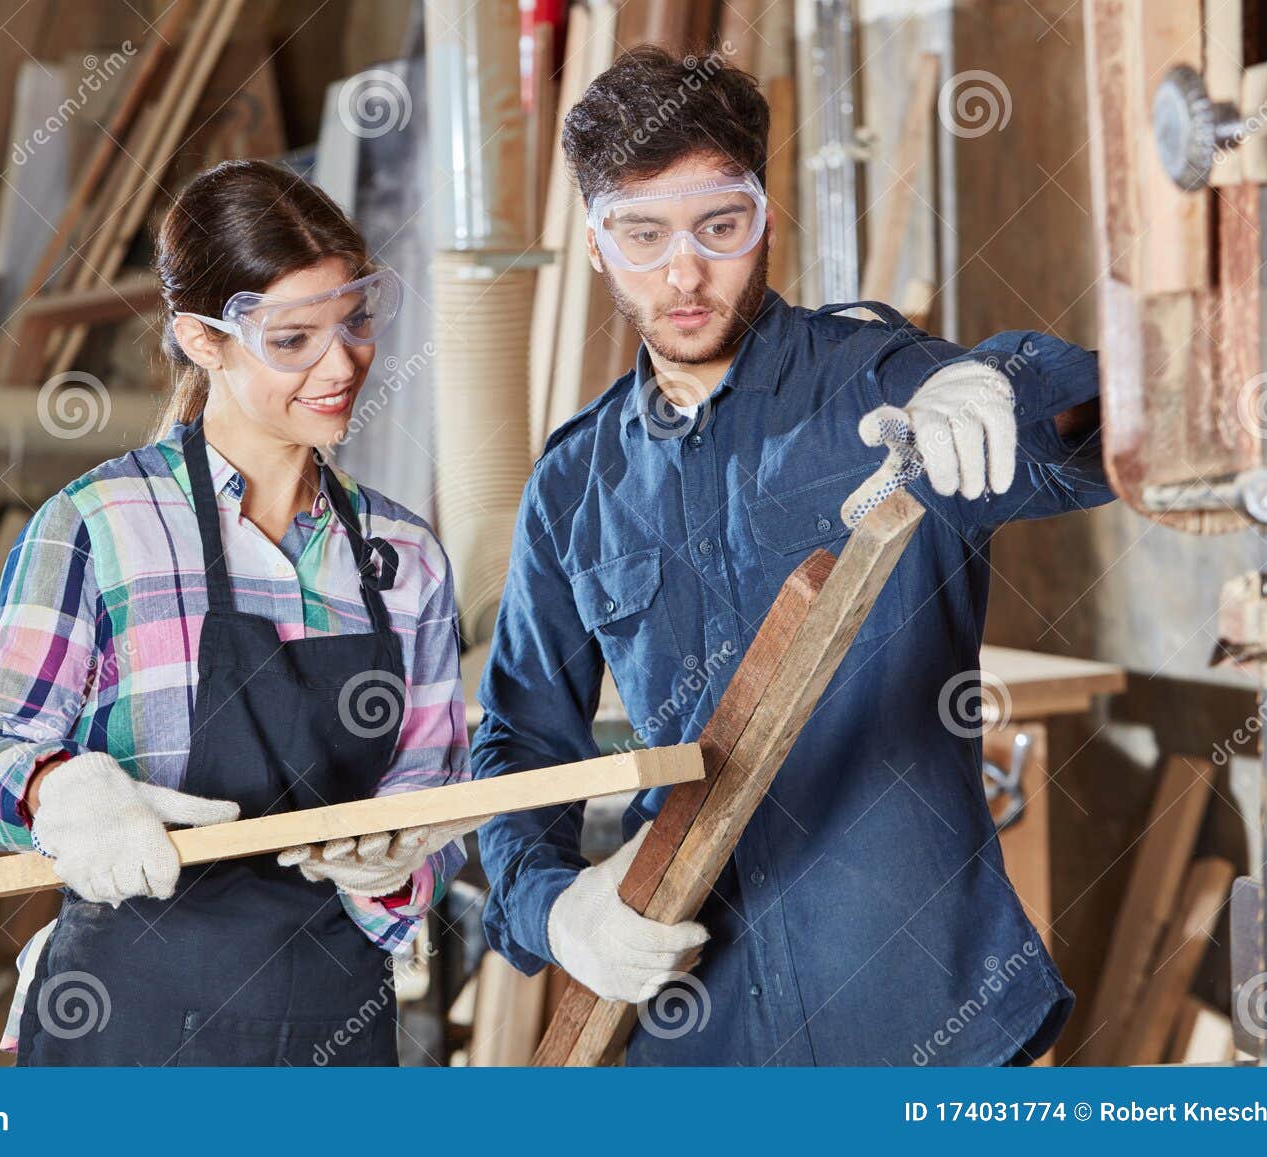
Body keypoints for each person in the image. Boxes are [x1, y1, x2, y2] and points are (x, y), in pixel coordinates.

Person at [472, 47, 1113, 1066]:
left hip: (926, 1028)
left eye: (717, 227)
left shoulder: (883, 385)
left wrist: (1004, 376)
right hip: (698, 1044)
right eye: (641, 235)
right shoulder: (571, 485)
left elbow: (1098, 432)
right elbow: (517, 746)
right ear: (596, 246)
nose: (682, 273)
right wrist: (555, 912)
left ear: (764, 215)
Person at [0, 159, 470, 1066]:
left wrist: (401, 860)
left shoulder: (402, 555)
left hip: (332, 1031)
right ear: (203, 340)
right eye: (293, 338)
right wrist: (56, 787)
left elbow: (435, 785)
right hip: (123, 1030)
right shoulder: (102, 527)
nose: (342, 365)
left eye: (355, 322)